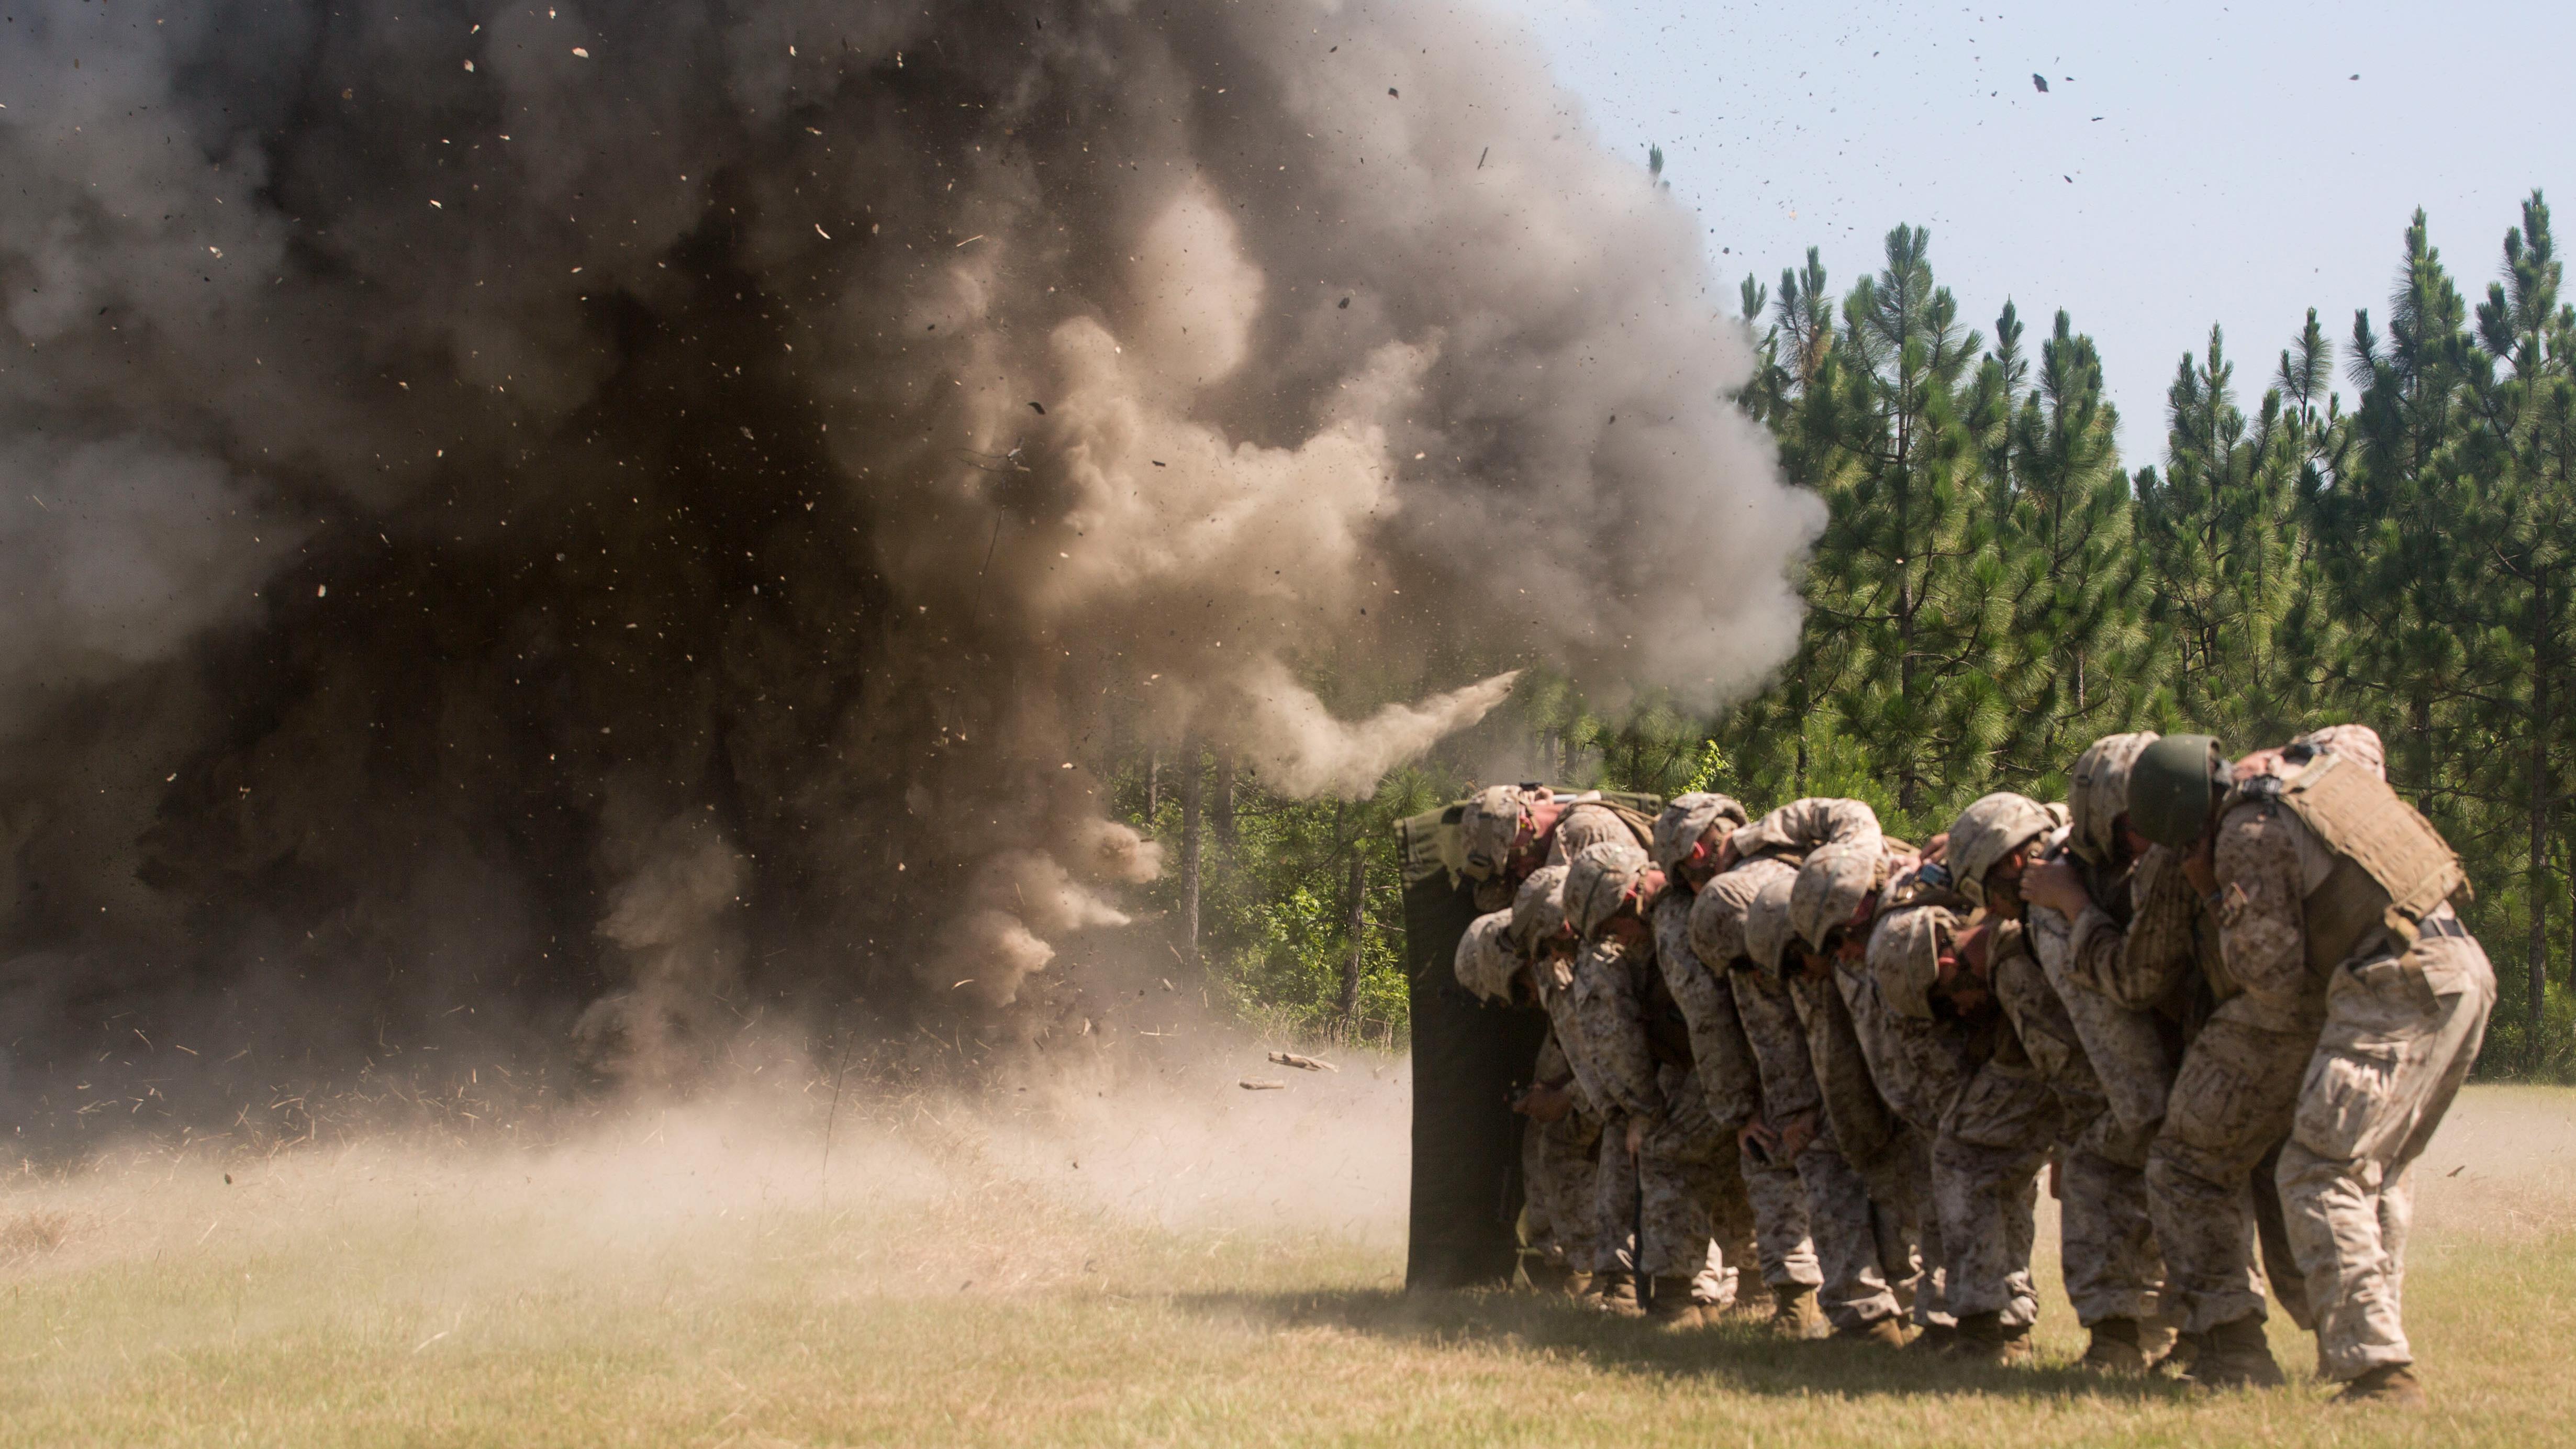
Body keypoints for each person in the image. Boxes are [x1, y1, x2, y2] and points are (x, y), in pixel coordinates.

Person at [2137, 725, 2493, 1404]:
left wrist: (2209, 889)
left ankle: (2378, 1373)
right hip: (2457, 969)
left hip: (2390, 984)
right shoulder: (2311, 777)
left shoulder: (2246, 830)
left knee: (2321, 1169)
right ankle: (2358, 1347)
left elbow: (2271, 977)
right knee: (2371, 1170)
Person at [2018, 733, 2190, 1372]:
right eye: (2135, 825)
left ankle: (2206, 1333)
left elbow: (2140, 981)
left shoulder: (2167, 863)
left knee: (2182, 1171)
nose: (2153, 835)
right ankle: (2125, 1333)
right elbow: (2111, 1020)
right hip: (2143, 1064)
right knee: (2103, 1166)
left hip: (2201, 1045)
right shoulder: (2066, 885)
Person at [1561, 839, 1738, 1326]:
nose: (1615, 940)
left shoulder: (1674, 926)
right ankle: (1761, 1294)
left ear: (1628, 896)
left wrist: (1734, 1106)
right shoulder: (1666, 921)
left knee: (1668, 1155)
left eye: (1611, 926)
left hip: (1733, 1068)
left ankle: (1677, 1302)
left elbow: (1710, 1022)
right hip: (1722, 1068)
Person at [1458, 785, 1649, 909]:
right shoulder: (1559, 822)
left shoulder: (1577, 833)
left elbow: (1539, 914)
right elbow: (1488, 900)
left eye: (1515, 860)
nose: (1520, 873)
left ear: (1524, 823)